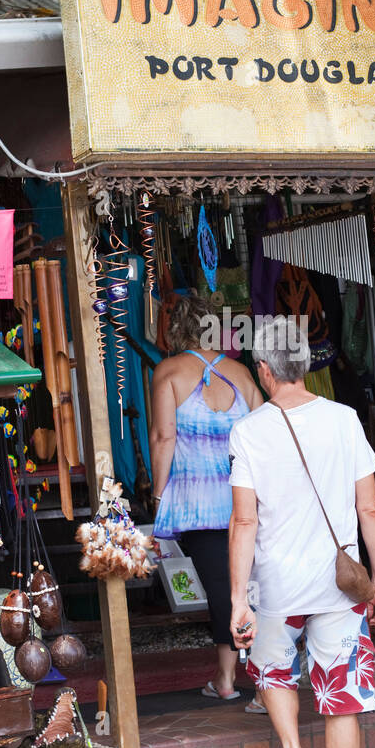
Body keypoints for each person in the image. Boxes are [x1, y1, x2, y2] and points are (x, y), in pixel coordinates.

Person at [228, 318, 375, 748]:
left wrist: (237, 599)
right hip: (340, 587)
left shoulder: (249, 431)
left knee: (274, 673)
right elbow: (368, 505)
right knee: (341, 697)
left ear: (265, 371)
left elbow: (245, 521)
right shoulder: (344, 420)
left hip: (275, 586)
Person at [149, 294, 263, 700]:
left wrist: (158, 496)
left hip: (198, 507)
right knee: (247, 589)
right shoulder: (243, 374)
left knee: (221, 591)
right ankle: (234, 679)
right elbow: (263, 439)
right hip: (245, 501)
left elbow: (164, 437)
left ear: (178, 327)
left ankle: (237, 682)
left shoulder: (169, 372)